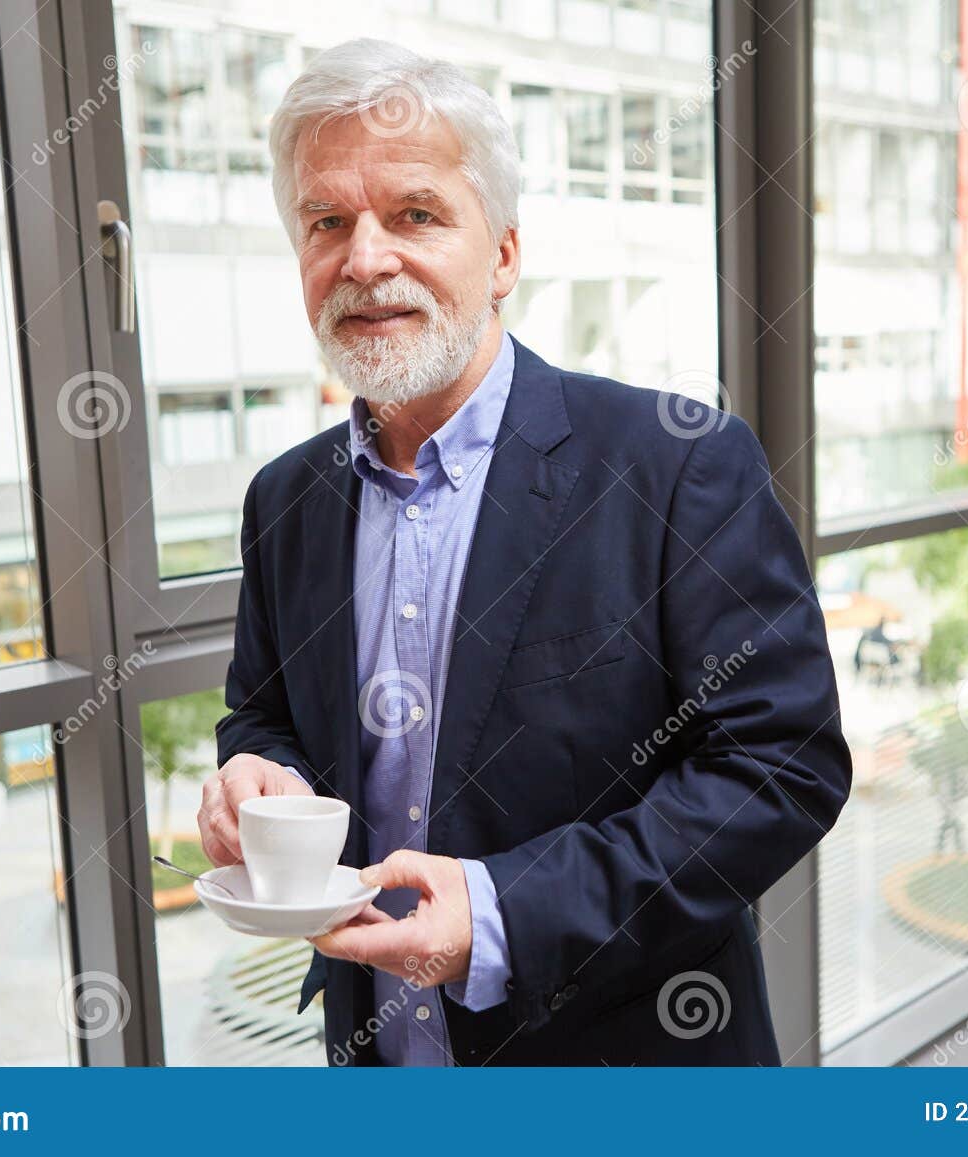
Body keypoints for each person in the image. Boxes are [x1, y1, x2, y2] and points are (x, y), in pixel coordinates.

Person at [200, 38, 852, 1066]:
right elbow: (264, 711)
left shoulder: (679, 464)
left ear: (502, 253)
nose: (364, 258)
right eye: (327, 221)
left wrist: (502, 910)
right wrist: (254, 772)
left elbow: (780, 766)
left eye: (413, 213)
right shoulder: (284, 499)